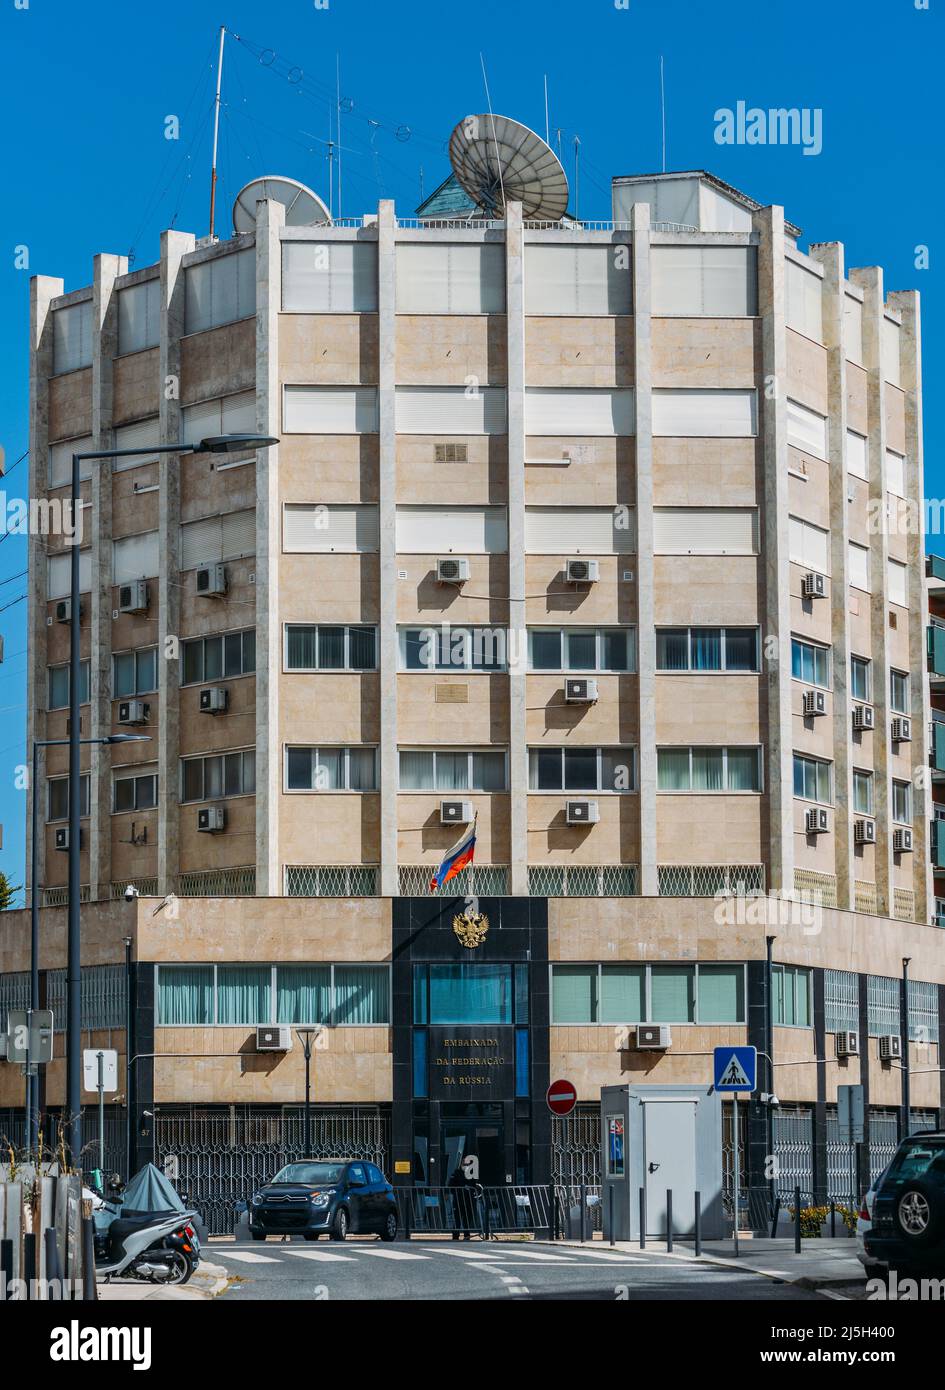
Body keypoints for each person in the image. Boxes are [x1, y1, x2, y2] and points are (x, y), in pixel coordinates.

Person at [448, 1162, 479, 1240]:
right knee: (457, 1219)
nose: (466, 1167)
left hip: (468, 1200)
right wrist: (460, 1188)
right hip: (458, 1200)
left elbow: (474, 1185)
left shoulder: (471, 1174)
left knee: (467, 1219)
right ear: (461, 1165)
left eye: (467, 1165)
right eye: (464, 1165)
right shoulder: (456, 1173)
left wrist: (471, 1189)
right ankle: (455, 1236)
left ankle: (466, 1235)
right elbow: (451, 1185)